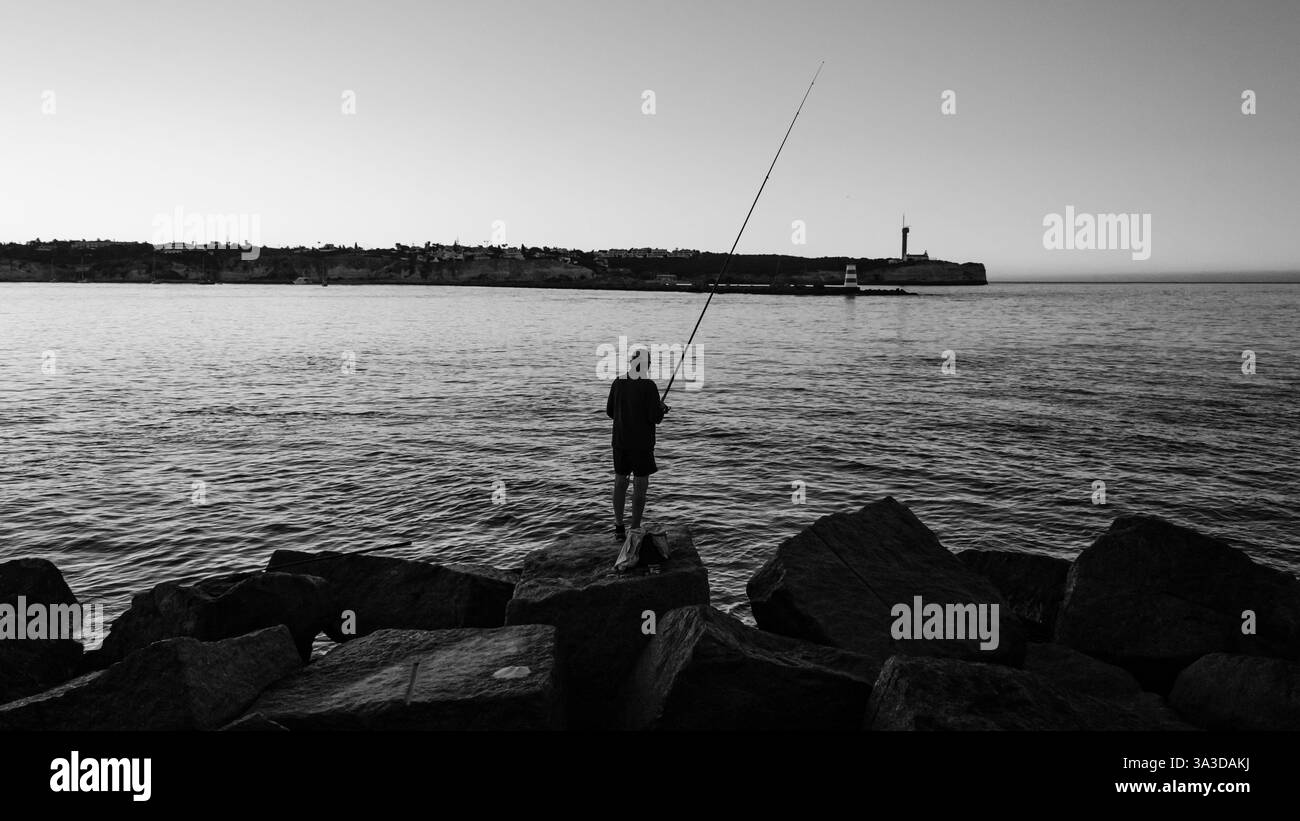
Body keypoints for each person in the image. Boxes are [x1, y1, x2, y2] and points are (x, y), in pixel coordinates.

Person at [606, 346, 668, 540]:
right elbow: (654, 417)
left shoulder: (618, 382)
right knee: (640, 486)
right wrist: (661, 409)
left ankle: (618, 528)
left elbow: (609, 412)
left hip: (621, 442)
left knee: (620, 483)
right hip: (642, 445)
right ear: (647, 365)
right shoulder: (649, 385)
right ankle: (634, 528)